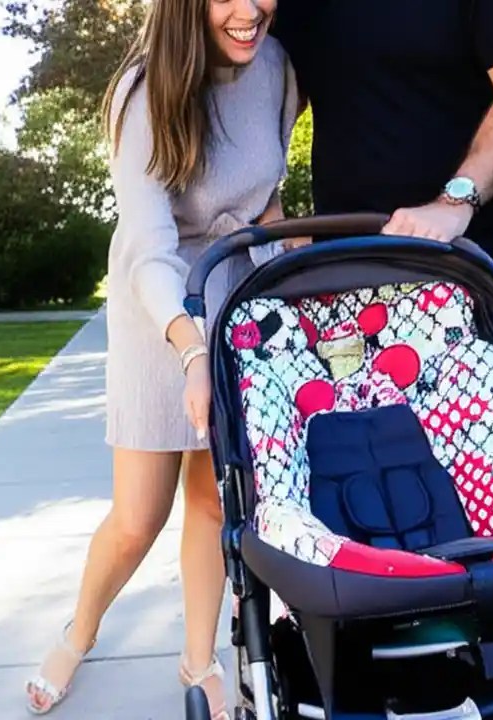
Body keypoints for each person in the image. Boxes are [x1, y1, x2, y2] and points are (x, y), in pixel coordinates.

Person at [24, 0, 295, 716]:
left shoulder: (277, 66)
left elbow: (265, 194)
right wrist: (190, 349)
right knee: (138, 518)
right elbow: (148, 248)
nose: (250, 10)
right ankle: (79, 632)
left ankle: (198, 657)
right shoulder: (143, 93)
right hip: (162, 312)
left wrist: (289, 252)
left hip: (239, 302)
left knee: (211, 502)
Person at [270, 0, 493, 450]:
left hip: (480, 271)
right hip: (349, 284)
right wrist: (272, 210)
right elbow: (265, 88)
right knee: (360, 480)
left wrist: (455, 201)